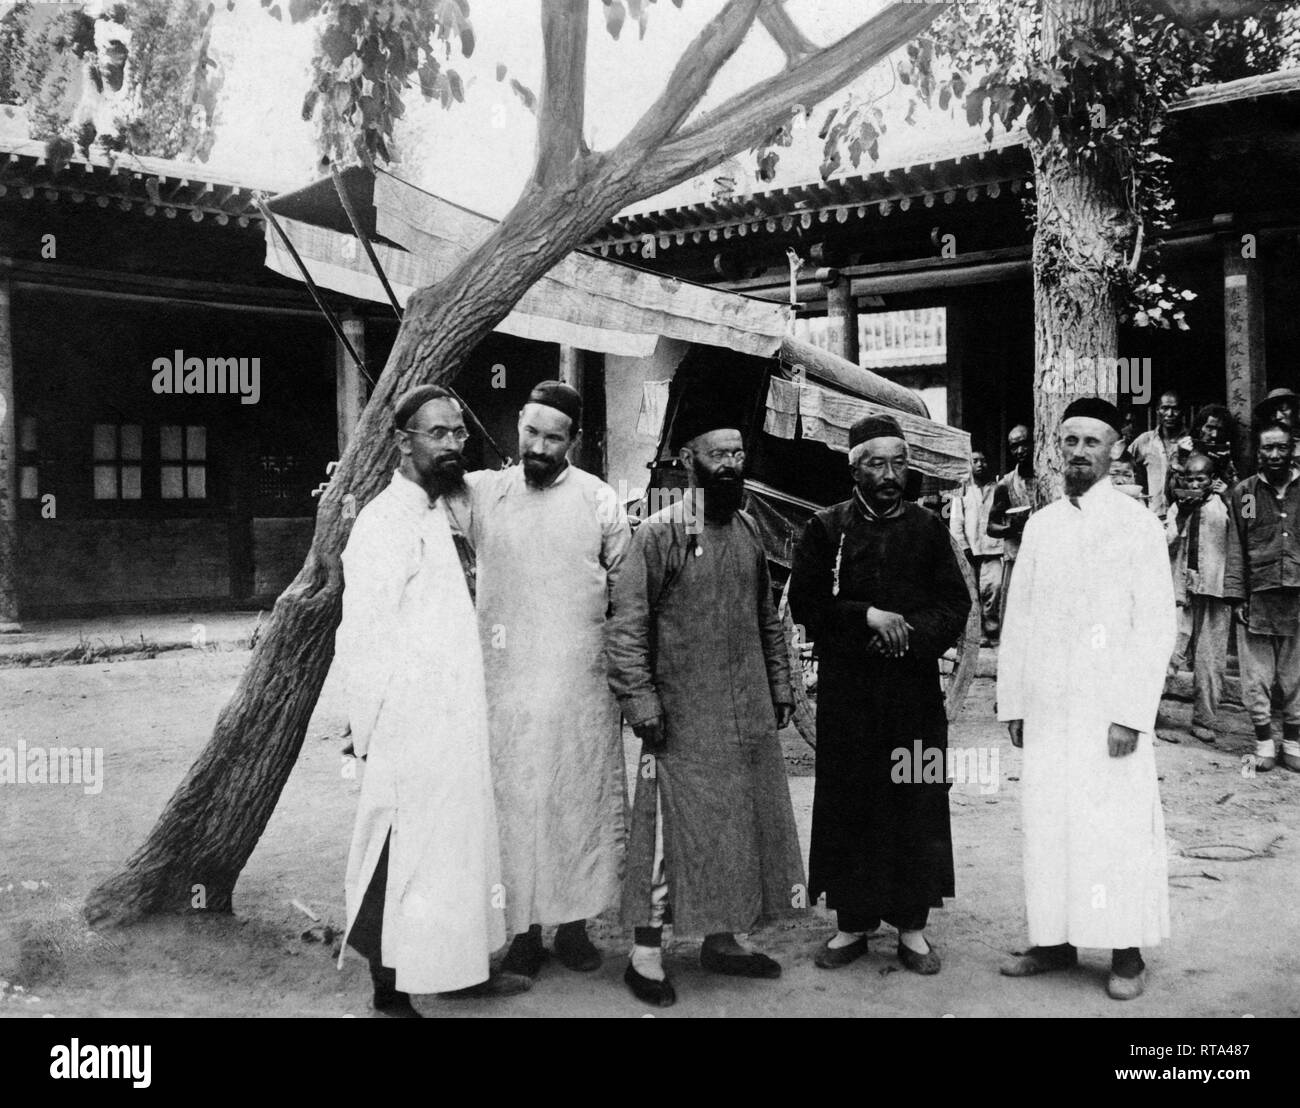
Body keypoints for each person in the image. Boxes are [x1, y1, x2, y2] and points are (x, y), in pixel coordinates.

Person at [334, 385, 530, 1016]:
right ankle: (389, 990)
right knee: (402, 851)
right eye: (437, 433)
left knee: (464, 850)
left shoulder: (448, 510)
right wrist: (370, 729)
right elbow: (361, 634)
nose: (451, 444)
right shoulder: (382, 522)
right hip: (409, 723)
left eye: (458, 433)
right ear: (403, 441)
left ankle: (464, 968)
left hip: (462, 716)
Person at [606, 404, 804, 1008]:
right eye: (717, 455)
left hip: (744, 717)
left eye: (738, 455)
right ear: (689, 461)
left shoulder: (746, 531)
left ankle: (724, 940)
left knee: (738, 827)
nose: (730, 465)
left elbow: (768, 622)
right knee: (667, 830)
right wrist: (641, 701)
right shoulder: (658, 533)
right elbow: (626, 626)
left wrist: (779, 688)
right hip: (681, 719)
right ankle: (645, 957)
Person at [997, 397, 1175, 1001]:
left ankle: (1126, 952)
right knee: (1049, 823)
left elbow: (1155, 627)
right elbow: (1016, 619)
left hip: (1108, 714)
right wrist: (1014, 701)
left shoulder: (1136, 524)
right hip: (1049, 709)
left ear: (1114, 450)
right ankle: (1053, 940)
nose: (1078, 453)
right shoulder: (1042, 525)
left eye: (1090, 443)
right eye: (1069, 441)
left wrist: (1131, 713)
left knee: (1114, 828)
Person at [788, 414, 972, 977]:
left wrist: (910, 636)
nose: (890, 474)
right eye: (877, 463)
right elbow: (807, 606)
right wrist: (867, 617)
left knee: (914, 797)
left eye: (898, 462)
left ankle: (912, 929)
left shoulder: (928, 528)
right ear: (855, 469)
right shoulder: (826, 528)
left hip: (913, 692)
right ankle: (852, 924)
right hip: (849, 696)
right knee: (852, 800)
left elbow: (955, 605)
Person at [466, 380, 631, 978]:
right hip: (506, 686)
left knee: (576, 804)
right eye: (531, 433)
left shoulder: (599, 500)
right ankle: (524, 933)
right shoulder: (483, 493)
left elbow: (627, 588)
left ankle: (575, 926)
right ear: (518, 426)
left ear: (574, 442)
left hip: (579, 687)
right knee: (515, 805)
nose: (539, 446)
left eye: (553, 438)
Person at [1223, 420, 1300, 773]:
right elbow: (1240, 540)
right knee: (1257, 674)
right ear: (1258, 452)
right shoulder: (1249, 494)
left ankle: (1294, 742)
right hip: (1259, 595)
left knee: (1296, 673)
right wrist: (1238, 594)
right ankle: (1264, 742)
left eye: (1280, 447)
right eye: (1266, 448)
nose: (1273, 455)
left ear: (1292, 448)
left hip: (1297, 593)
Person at [1160, 453, 1232, 746]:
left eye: (1200, 479)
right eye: (1188, 478)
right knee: (1168, 649)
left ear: (1213, 481)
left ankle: (1204, 719)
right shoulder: (1178, 506)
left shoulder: (1227, 504)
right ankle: (1150, 713)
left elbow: (1245, 527)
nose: (1193, 484)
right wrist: (1183, 514)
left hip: (1215, 588)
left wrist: (1231, 497)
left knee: (1210, 658)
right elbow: (1167, 542)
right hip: (1180, 588)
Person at [949, 447, 1004, 646]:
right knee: (972, 593)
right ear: (969, 465)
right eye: (975, 461)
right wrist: (964, 549)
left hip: (991, 550)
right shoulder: (962, 489)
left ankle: (992, 629)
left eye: (983, 461)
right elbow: (956, 521)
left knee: (995, 587)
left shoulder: (997, 487)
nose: (980, 465)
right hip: (970, 552)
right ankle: (976, 633)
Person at [987, 424, 1035, 633]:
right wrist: (1010, 530)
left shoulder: (1048, 477)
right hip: (1017, 559)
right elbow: (991, 526)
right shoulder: (1006, 484)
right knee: (1016, 619)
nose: (1020, 450)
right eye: (1015, 446)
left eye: (1024, 444)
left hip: (1045, 558)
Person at [1131, 390, 1186, 518]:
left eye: (1175, 409)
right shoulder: (1144, 441)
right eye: (1165, 408)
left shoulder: (1190, 442)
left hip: (1182, 518)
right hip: (1152, 517)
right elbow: (1122, 465)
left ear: (1182, 412)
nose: (1170, 414)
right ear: (1157, 411)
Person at [1187, 403, 1238, 490]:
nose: (1215, 434)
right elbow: (1174, 492)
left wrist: (1228, 492)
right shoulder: (1185, 451)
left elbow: (1242, 495)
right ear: (1199, 428)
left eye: (1220, 430)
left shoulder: (1226, 457)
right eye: (1209, 428)